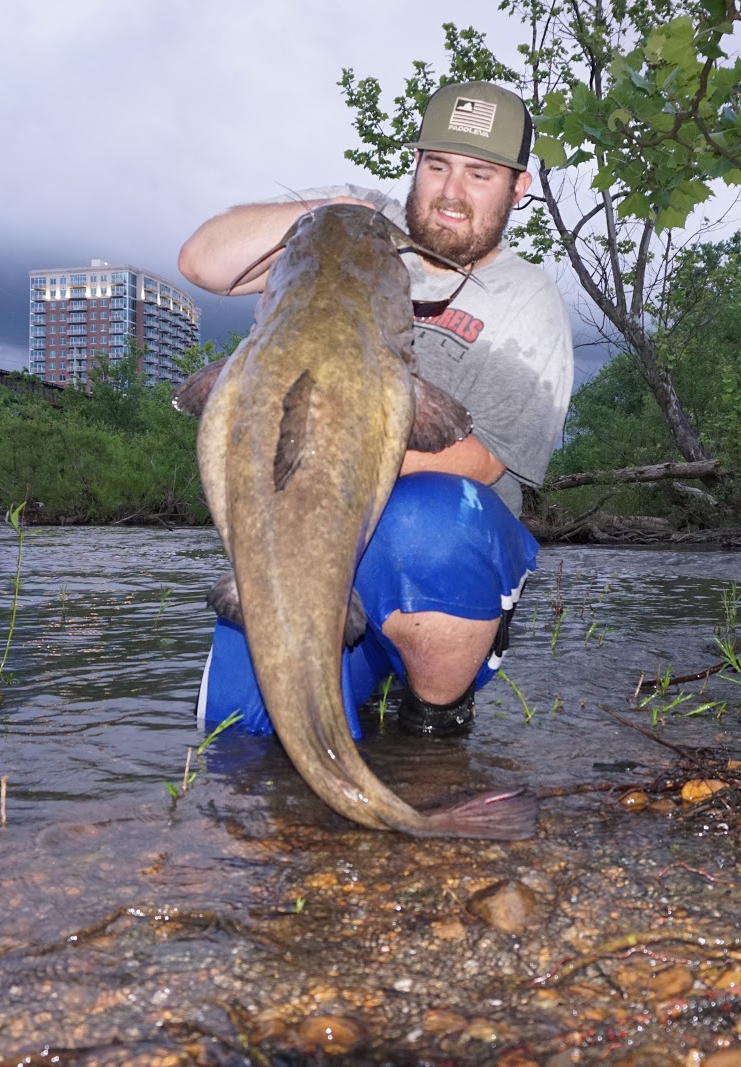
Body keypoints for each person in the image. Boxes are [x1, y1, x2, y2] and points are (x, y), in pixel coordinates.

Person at [177, 81, 573, 740]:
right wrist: (328, 210)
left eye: (479, 174)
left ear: (517, 187)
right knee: (244, 741)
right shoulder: (344, 233)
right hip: (293, 534)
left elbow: (484, 457)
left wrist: (318, 458)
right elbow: (202, 261)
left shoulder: (525, 300)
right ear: (415, 161)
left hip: (425, 558)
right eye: (437, 165)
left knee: (436, 521)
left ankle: (434, 716)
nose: (452, 191)